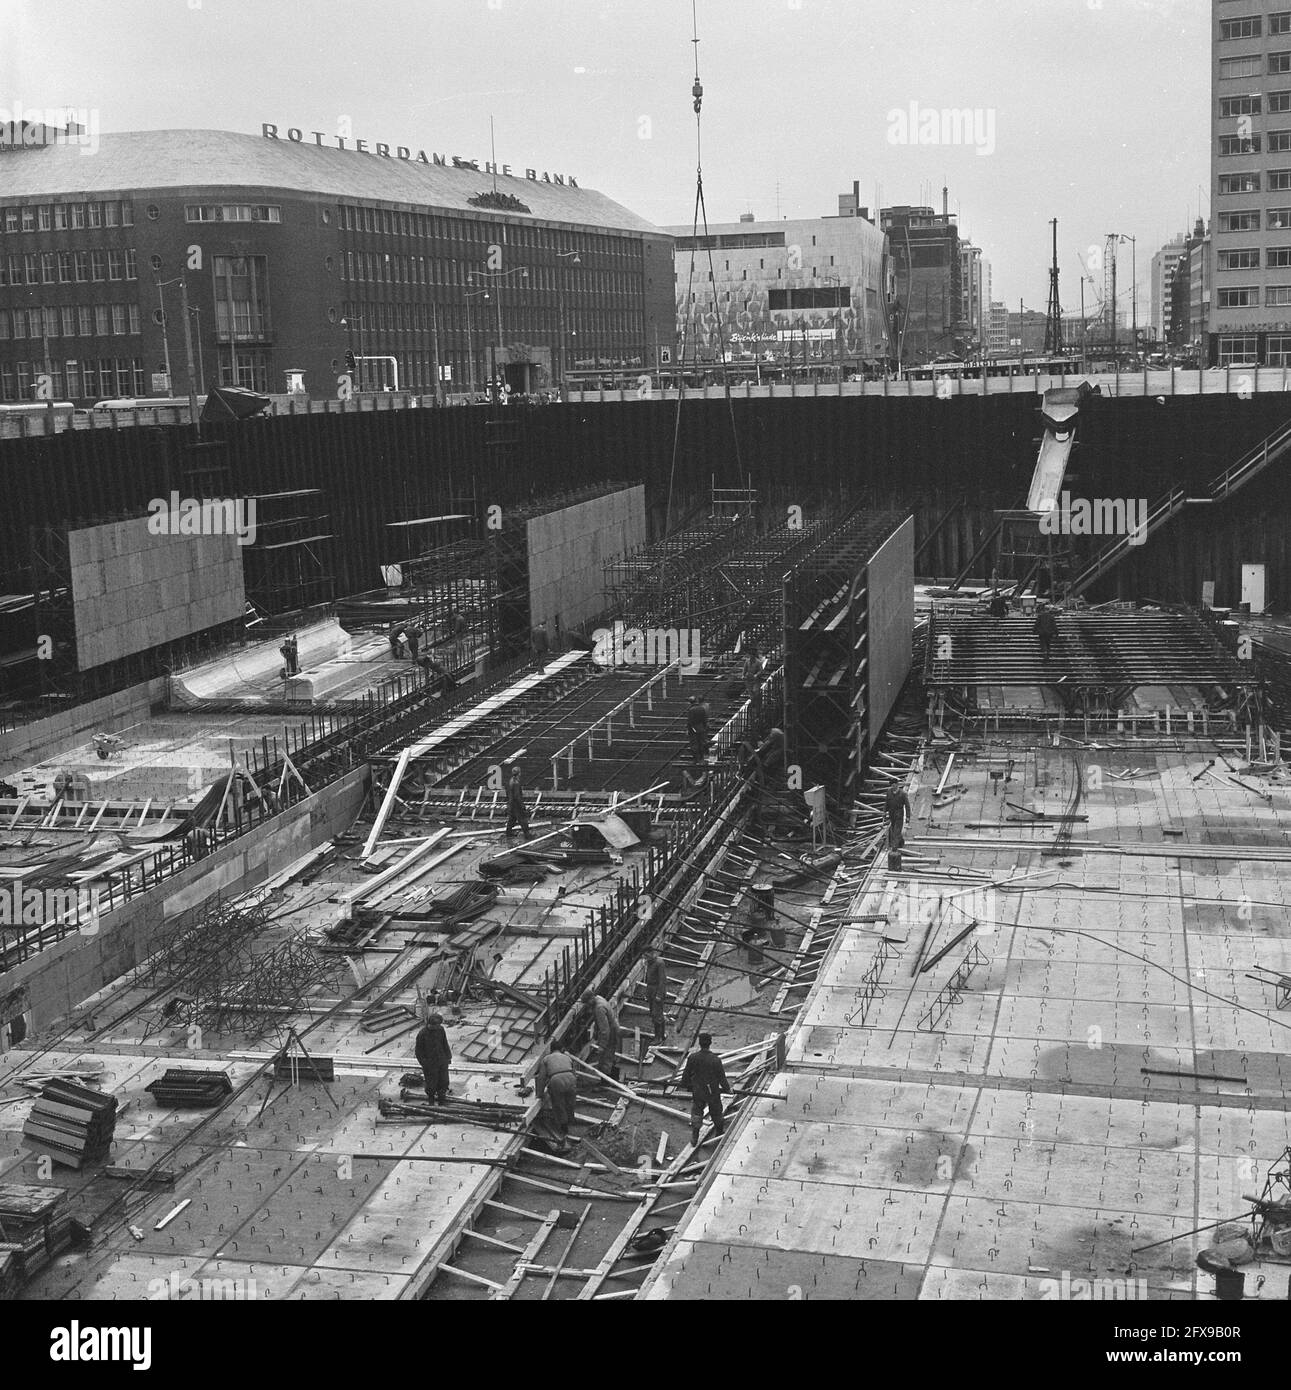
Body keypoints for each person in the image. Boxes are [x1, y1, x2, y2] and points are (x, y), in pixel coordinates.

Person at [682, 1033, 729, 1148]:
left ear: (699, 1043)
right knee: (716, 1112)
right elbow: (722, 1077)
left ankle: (695, 1137)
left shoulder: (693, 1057)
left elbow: (686, 1074)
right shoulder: (715, 1060)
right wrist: (727, 1089)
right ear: (710, 1043)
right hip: (712, 1091)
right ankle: (719, 1133)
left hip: (698, 1090)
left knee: (697, 1113)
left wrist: (686, 1085)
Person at [534, 1042, 577, 1137]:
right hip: (570, 1077)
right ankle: (571, 1120)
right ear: (561, 1049)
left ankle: (563, 1126)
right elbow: (574, 1072)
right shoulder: (567, 1057)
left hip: (556, 1079)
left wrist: (539, 1094)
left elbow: (541, 1078)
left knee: (559, 1103)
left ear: (551, 1050)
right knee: (570, 1101)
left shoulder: (546, 1059)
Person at [580, 989, 620, 1080]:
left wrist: (602, 1045)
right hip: (613, 1028)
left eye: (587, 1003)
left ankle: (606, 1082)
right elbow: (599, 1023)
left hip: (611, 1032)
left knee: (605, 1056)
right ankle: (614, 1078)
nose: (587, 1006)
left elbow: (605, 1030)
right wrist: (595, 1033)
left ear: (591, 999)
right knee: (610, 1054)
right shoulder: (598, 998)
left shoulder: (599, 1008)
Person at [414, 1010, 452, 1104]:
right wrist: (425, 1064)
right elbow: (418, 1052)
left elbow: (444, 1043)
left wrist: (448, 1057)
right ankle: (431, 1101)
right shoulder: (422, 1034)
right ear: (431, 1024)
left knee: (444, 1081)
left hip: (442, 1061)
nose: (439, 1027)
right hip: (430, 1064)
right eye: (437, 1025)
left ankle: (441, 1100)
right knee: (431, 1084)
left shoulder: (440, 1030)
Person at [643, 948, 669, 1044]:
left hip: (657, 990)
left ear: (652, 953)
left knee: (656, 1015)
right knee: (655, 1014)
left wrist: (659, 995)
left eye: (647, 956)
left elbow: (662, 980)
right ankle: (661, 1035)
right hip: (651, 990)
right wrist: (647, 993)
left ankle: (658, 1038)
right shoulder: (650, 962)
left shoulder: (659, 963)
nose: (645, 958)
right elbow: (648, 980)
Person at [505, 765, 531, 839]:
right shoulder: (516, 783)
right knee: (523, 820)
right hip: (516, 804)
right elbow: (517, 796)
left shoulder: (510, 781)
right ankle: (527, 835)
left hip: (511, 803)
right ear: (519, 773)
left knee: (512, 819)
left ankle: (508, 833)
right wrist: (522, 806)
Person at [885, 782, 912, 852]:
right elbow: (886, 802)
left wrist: (908, 816)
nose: (893, 787)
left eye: (894, 785)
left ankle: (894, 846)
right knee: (894, 828)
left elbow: (907, 805)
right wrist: (884, 812)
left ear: (897, 785)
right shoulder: (889, 792)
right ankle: (901, 841)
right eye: (891, 785)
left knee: (897, 830)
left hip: (899, 813)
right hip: (891, 813)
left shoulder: (902, 794)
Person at [686, 695, 709, 763]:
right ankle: (702, 757)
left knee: (694, 744)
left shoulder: (691, 710)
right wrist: (704, 727)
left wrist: (689, 730)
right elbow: (704, 719)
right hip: (701, 728)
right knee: (701, 742)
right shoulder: (701, 708)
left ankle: (696, 759)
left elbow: (690, 721)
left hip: (694, 729)